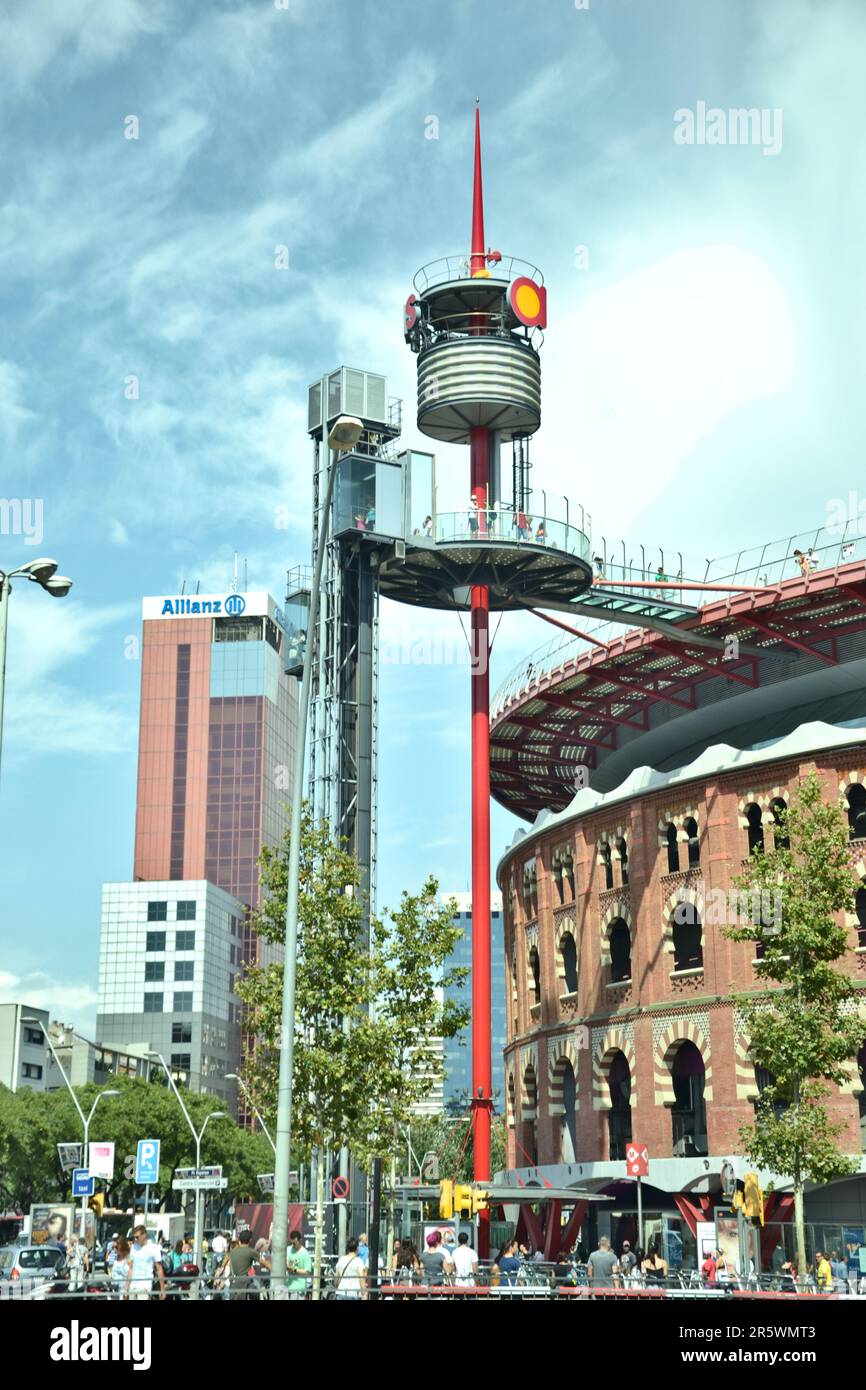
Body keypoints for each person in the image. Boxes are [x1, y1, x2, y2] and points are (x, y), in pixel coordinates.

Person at [125, 1225, 166, 1301]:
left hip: (145, 1286)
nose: (135, 1239)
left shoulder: (154, 1248)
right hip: (133, 1286)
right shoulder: (133, 1247)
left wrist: (162, 1289)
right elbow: (131, 1268)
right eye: (134, 1237)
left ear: (144, 1235)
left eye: (137, 1237)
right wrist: (126, 1288)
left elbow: (159, 1269)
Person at [229, 1229, 269, 1301]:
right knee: (260, 1289)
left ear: (239, 1239)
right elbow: (265, 1263)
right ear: (250, 1240)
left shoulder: (233, 1251)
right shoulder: (250, 1251)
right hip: (246, 1283)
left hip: (234, 1283)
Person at [286, 1230, 312, 1298]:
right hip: (288, 1288)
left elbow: (307, 1272)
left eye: (295, 1243)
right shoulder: (288, 1249)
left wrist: (294, 1270)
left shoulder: (305, 1253)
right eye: (292, 1243)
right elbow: (287, 1262)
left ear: (300, 1240)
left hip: (299, 1289)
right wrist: (287, 1265)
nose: (293, 1245)